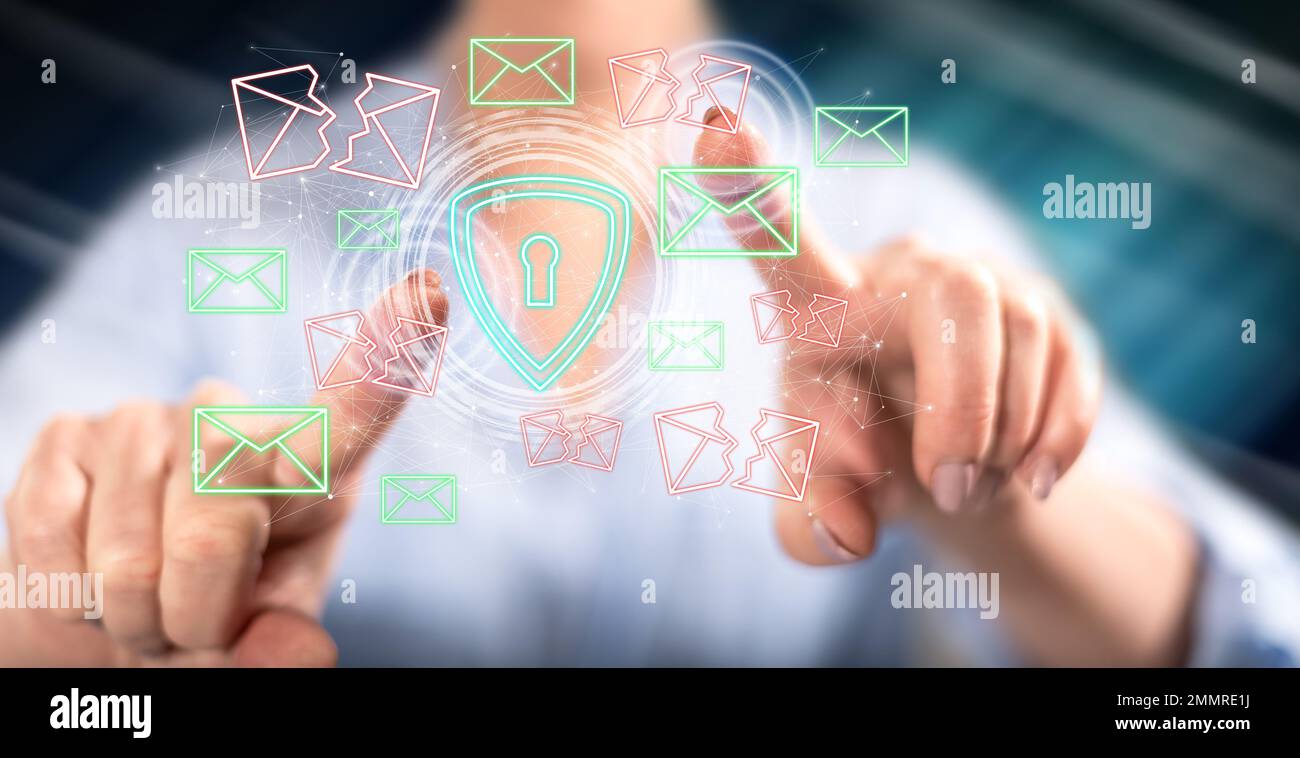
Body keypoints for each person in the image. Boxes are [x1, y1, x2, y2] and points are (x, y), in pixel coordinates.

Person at [1, 0, 1297, 667]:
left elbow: (1250, 643)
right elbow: (30, 570)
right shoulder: (213, 225)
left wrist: (985, 489)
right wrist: (93, 610)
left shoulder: (896, 223)